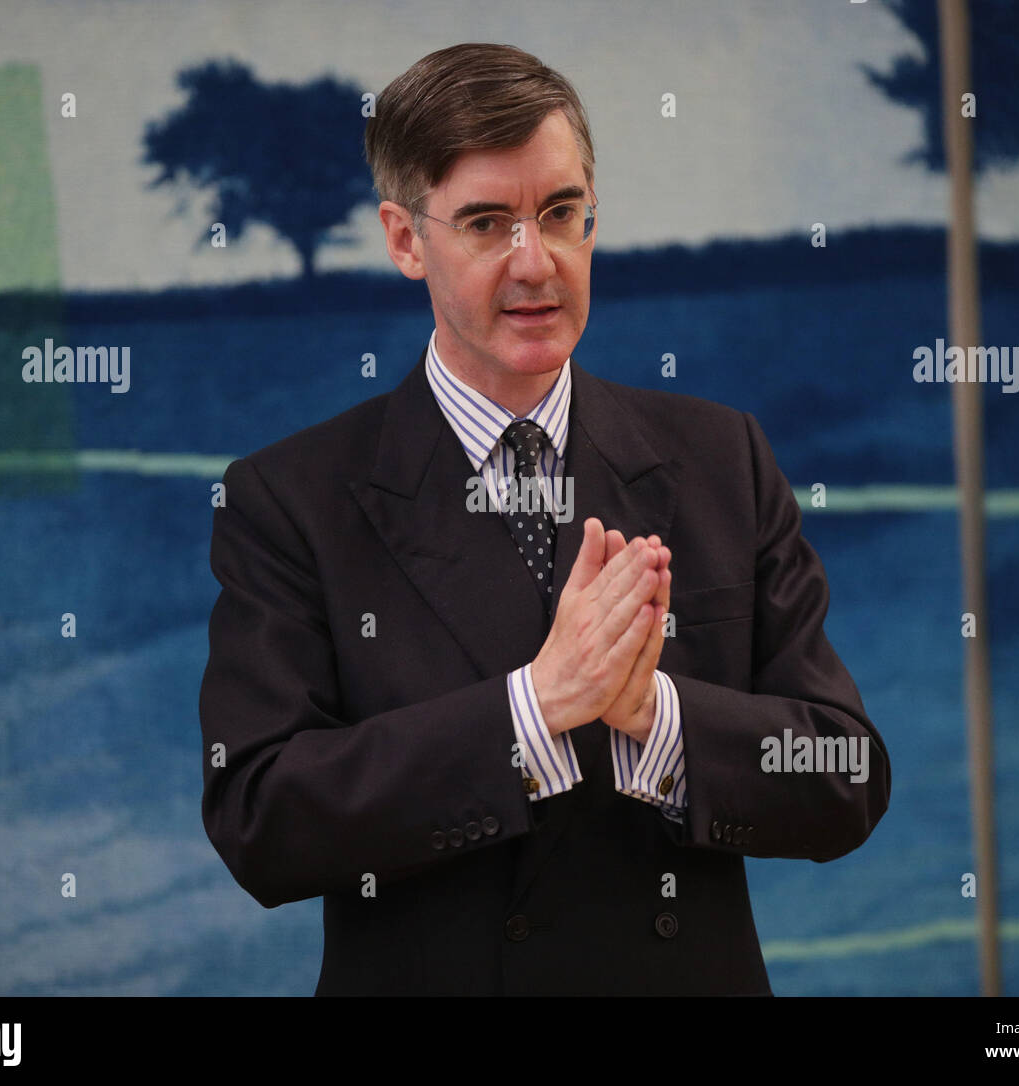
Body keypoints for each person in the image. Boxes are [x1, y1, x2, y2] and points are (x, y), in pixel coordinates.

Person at [198, 42, 889, 996]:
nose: (537, 262)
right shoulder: (290, 501)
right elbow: (261, 819)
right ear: (405, 240)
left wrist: (657, 717)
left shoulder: (722, 457)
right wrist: (534, 712)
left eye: (561, 213)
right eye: (487, 222)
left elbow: (844, 776)